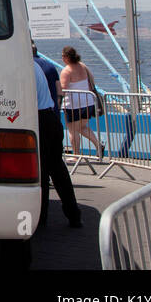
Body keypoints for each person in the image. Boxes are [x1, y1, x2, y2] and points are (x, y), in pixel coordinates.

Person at [34, 57, 83, 229]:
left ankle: (41, 219)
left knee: (42, 173)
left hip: (40, 121)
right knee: (58, 171)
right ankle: (73, 214)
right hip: (50, 119)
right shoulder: (36, 66)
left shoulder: (26, 67)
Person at [59, 46, 105, 159]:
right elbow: (91, 81)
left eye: (62, 56)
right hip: (87, 101)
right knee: (81, 127)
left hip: (73, 105)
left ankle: (76, 155)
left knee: (72, 130)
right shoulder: (83, 66)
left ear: (66, 57)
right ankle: (98, 144)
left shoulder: (66, 71)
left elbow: (63, 89)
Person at [31, 44, 61, 113]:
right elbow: (59, 88)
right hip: (52, 108)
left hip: (37, 110)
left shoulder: (30, 66)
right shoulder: (50, 65)